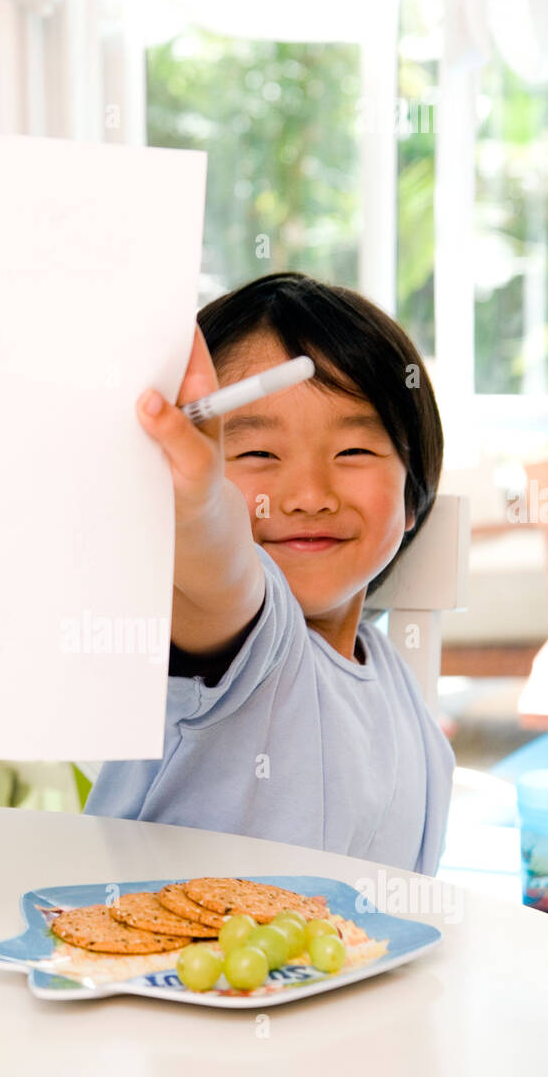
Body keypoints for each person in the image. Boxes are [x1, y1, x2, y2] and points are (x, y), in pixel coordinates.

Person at [84, 272, 455, 876]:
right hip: (153, 969)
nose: (309, 495)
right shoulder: (249, 641)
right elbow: (219, 569)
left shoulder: (397, 686)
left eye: (353, 452)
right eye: (255, 454)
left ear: (413, 496)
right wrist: (199, 502)